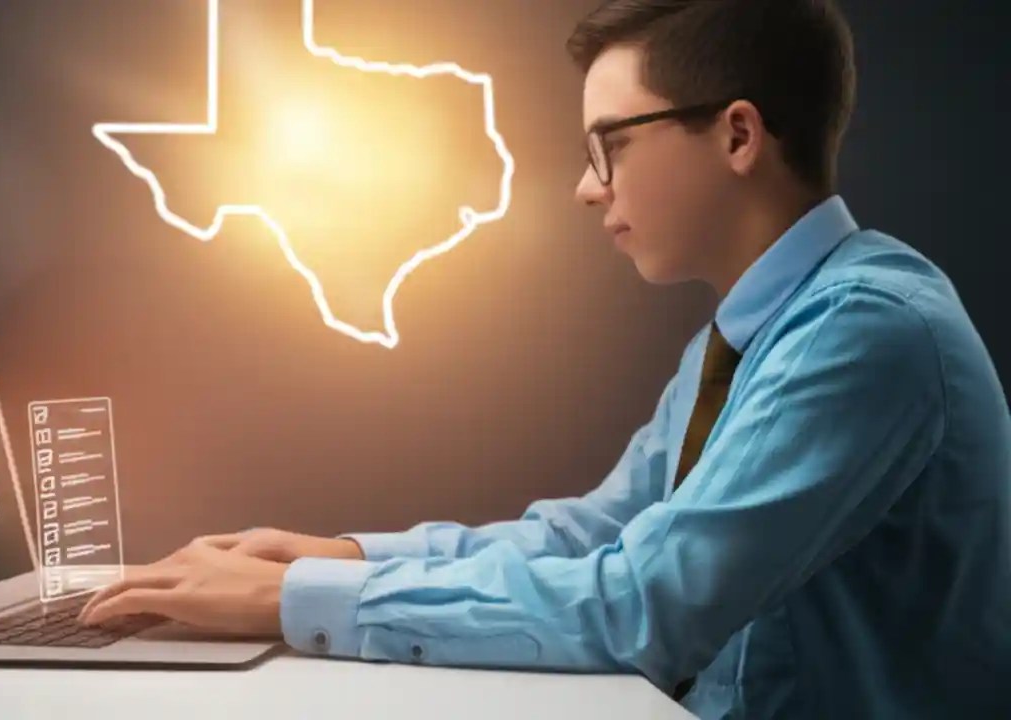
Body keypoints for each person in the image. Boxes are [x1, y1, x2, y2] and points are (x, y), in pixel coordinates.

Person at [79, 1, 1011, 715]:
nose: (585, 188)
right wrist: (340, 556)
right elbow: (595, 537)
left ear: (738, 135)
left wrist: (294, 601)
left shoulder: (866, 333)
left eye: (610, 146)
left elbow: (643, 604)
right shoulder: (744, 337)